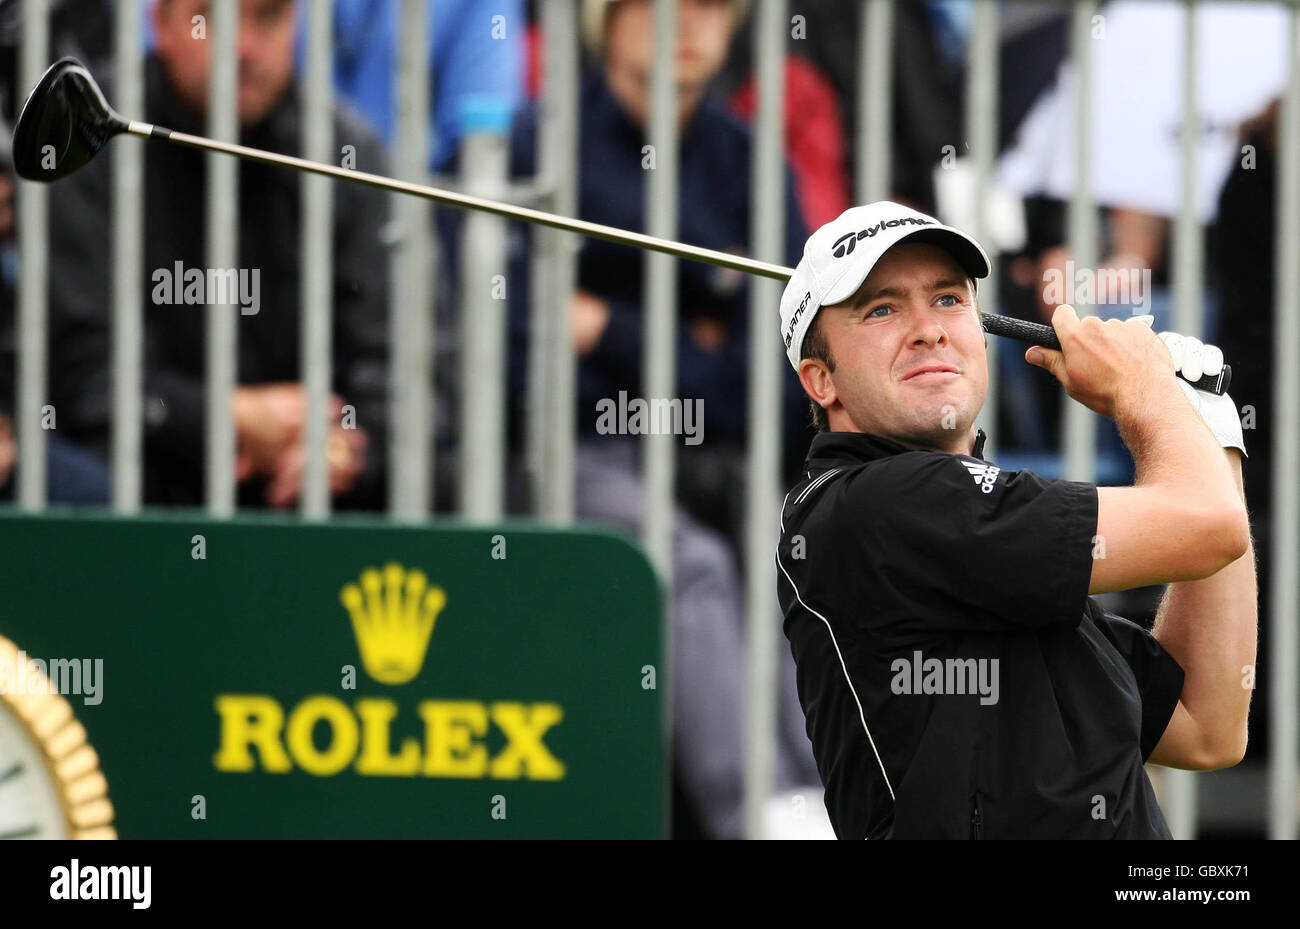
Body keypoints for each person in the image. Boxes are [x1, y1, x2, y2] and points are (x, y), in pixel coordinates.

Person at [459, 0, 825, 838]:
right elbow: (510, 357)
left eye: (709, 8)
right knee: (688, 563)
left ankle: (823, 803)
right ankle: (758, 815)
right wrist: (692, 338)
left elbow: (788, 376)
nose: (685, 26)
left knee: (798, 550)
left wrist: (605, 324)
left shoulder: (749, 166)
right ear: (606, 20)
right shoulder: (533, 147)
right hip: (566, 454)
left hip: (722, 455)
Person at [776, 200, 1256, 838]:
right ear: (820, 381)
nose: (929, 329)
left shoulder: (996, 537)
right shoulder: (877, 502)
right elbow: (1209, 527)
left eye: (949, 300)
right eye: (882, 309)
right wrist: (1148, 395)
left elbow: (1207, 725)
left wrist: (1212, 432)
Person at [44, 0, 389, 508]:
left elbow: (400, 365)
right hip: (133, 486)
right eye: (210, 17)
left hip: (301, 493)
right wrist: (227, 419)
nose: (243, 47)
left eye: (268, 17)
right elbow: (85, 377)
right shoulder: (93, 137)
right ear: (158, 24)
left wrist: (345, 451)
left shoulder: (346, 154)